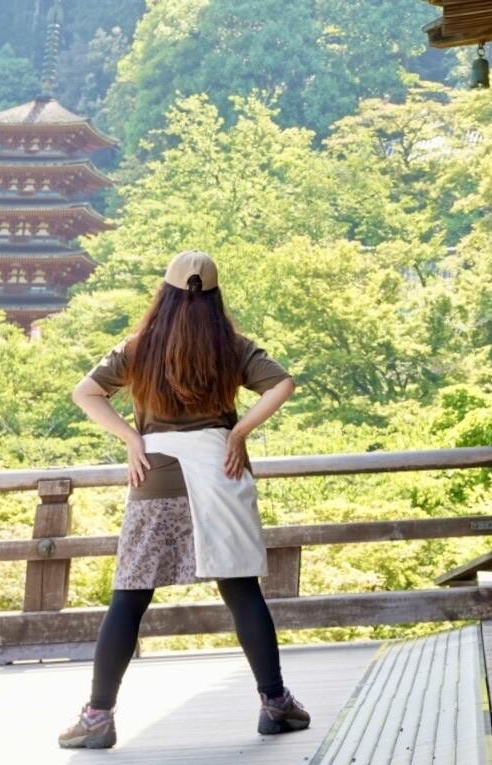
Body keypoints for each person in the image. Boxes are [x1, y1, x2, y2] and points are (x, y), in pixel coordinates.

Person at [58, 250, 308, 749]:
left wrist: (133, 439)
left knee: (129, 598)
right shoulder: (230, 346)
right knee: (242, 591)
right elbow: (283, 383)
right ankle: (276, 705)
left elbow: (85, 393)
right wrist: (238, 432)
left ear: (165, 294)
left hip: (156, 477)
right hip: (221, 468)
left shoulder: (139, 348)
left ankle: (97, 718)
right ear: (214, 297)